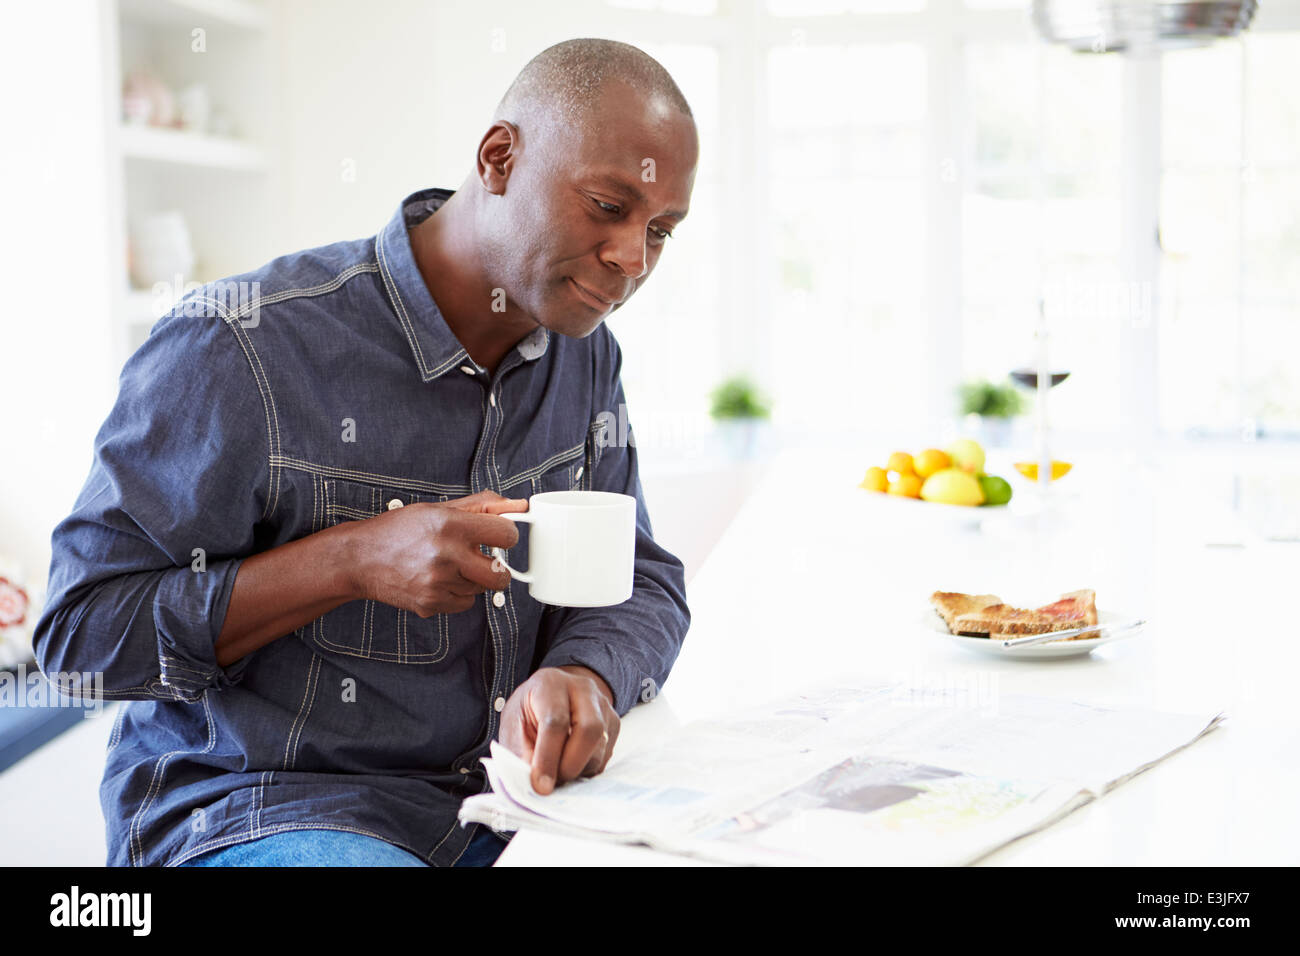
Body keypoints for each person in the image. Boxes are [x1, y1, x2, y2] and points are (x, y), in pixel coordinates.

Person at [33, 38, 697, 867]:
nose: (633, 259)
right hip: (269, 807)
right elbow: (79, 638)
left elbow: (641, 579)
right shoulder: (242, 343)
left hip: (502, 807)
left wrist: (585, 675)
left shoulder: (582, 354)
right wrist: (349, 560)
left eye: (662, 232)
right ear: (499, 158)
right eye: (608, 206)